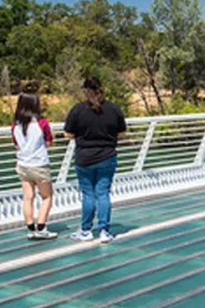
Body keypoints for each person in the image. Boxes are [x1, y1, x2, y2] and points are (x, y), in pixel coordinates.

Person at [64, 77, 126, 243]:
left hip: (84, 158)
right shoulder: (114, 109)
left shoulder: (78, 110)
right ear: (101, 89)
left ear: (85, 91)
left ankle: (86, 230)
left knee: (88, 194)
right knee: (103, 193)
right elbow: (121, 132)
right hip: (107, 157)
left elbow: (68, 134)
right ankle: (105, 231)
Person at [12, 92, 57, 240]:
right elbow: (49, 142)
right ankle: (41, 227)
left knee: (27, 198)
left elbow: (17, 146)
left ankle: (30, 228)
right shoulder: (42, 123)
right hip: (39, 164)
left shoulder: (15, 125)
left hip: (23, 165)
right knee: (47, 196)